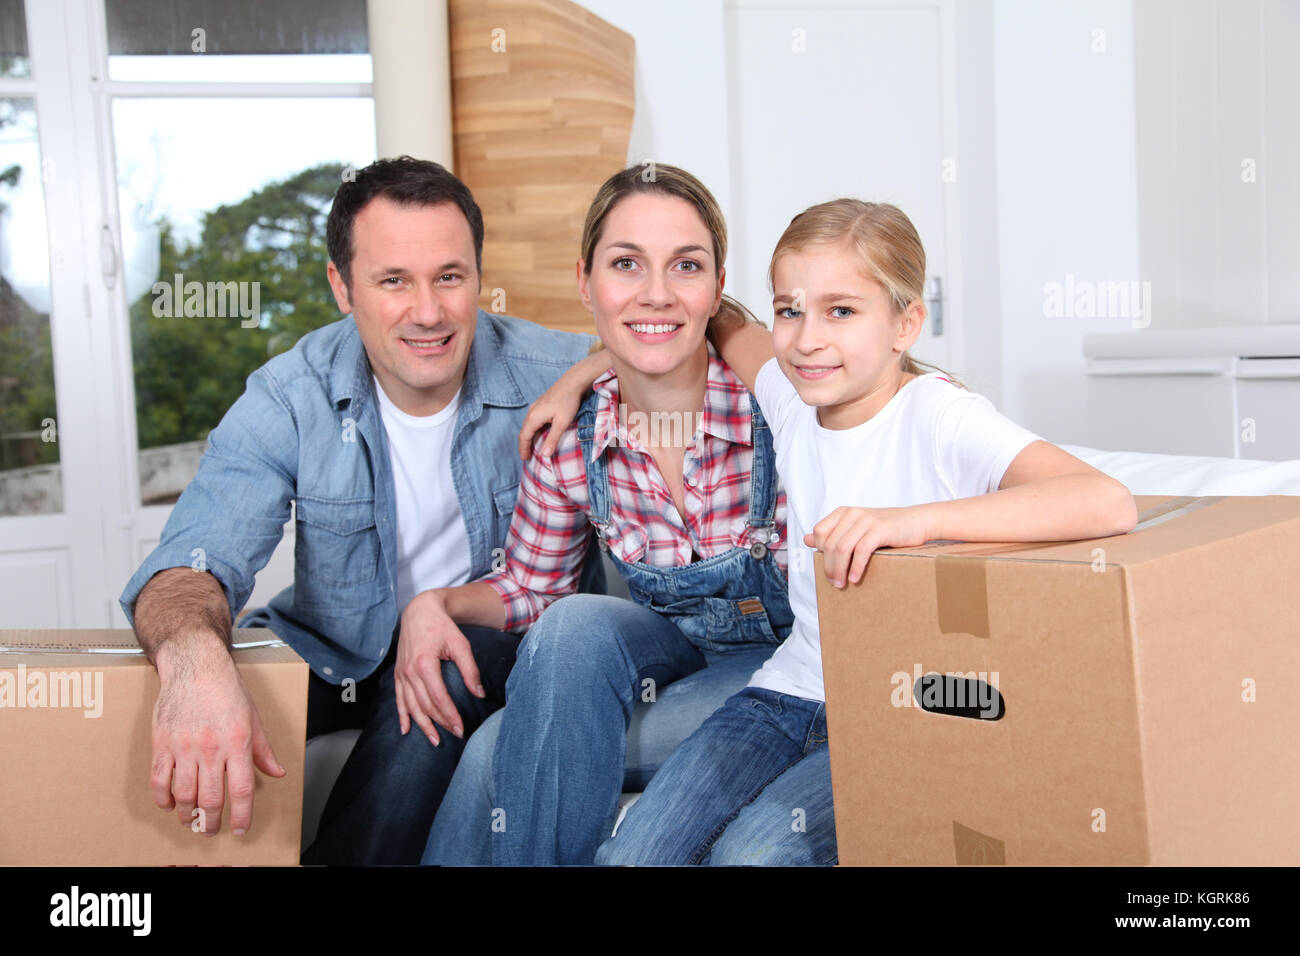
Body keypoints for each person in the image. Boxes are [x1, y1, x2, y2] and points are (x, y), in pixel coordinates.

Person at [594, 198, 1139, 865]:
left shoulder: (937, 414)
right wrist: (585, 372)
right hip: (787, 693)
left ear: (905, 323)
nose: (807, 338)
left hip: (902, 707)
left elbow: (1105, 500)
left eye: (842, 311)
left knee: (754, 855)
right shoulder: (790, 398)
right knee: (630, 855)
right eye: (790, 310)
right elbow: (718, 315)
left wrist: (910, 523)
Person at [118, 156, 604, 866]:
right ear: (342, 287)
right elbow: (191, 562)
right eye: (393, 281)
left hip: (487, 640)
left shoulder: (549, 371)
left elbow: (685, 329)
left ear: (478, 276)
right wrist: (195, 663)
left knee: (439, 680)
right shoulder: (291, 395)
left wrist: (596, 367)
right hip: (333, 647)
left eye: (449, 277)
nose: (428, 312)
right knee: (173, 687)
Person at [419, 163, 793, 866]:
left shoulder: (782, 409)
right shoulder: (571, 440)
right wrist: (436, 604)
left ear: (718, 288)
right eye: (626, 264)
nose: (657, 292)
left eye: (685, 265)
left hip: (792, 673)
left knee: (498, 749)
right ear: (585, 283)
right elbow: (532, 589)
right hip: (681, 663)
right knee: (572, 626)